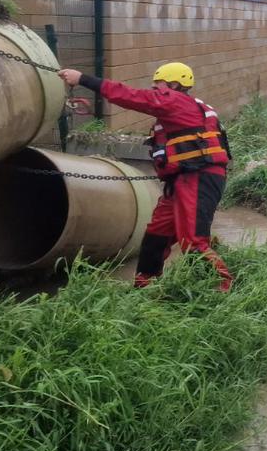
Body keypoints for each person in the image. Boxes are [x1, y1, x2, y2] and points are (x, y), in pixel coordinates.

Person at [57, 62, 234, 291]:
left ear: (174, 85)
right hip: (181, 180)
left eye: (158, 85)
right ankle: (144, 286)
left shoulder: (175, 101)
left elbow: (130, 96)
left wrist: (82, 79)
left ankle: (221, 289)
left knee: (193, 241)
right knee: (156, 234)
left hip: (197, 177)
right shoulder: (180, 110)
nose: (154, 89)